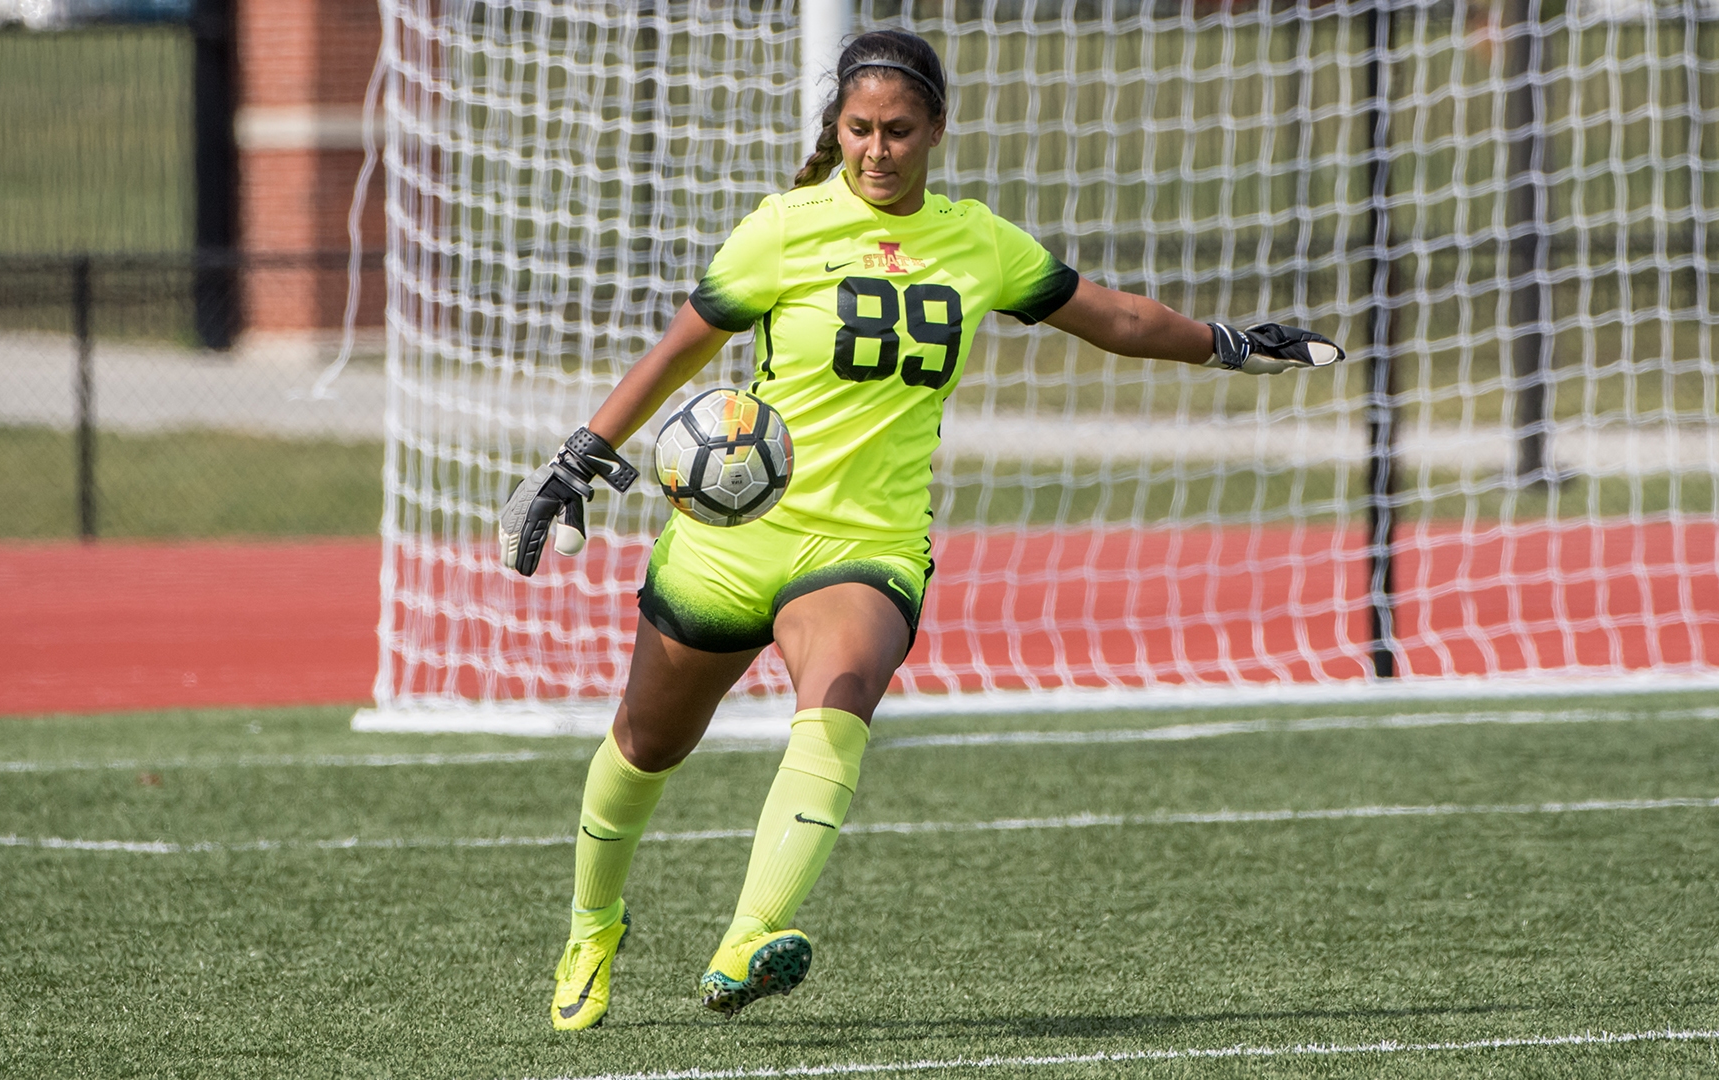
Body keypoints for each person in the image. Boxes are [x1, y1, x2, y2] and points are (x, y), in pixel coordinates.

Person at [497, 28, 1342, 1030]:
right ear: (837, 130)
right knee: (645, 744)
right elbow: (679, 351)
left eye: (900, 130)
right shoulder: (780, 229)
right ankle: (594, 926)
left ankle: (746, 940)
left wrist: (1230, 346)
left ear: (937, 129)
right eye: (860, 129)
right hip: (733, 540)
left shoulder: (977, 241)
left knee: (841, 695)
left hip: (869, 542)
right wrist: (576, 458)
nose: (878, 149)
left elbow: (1109, 316)